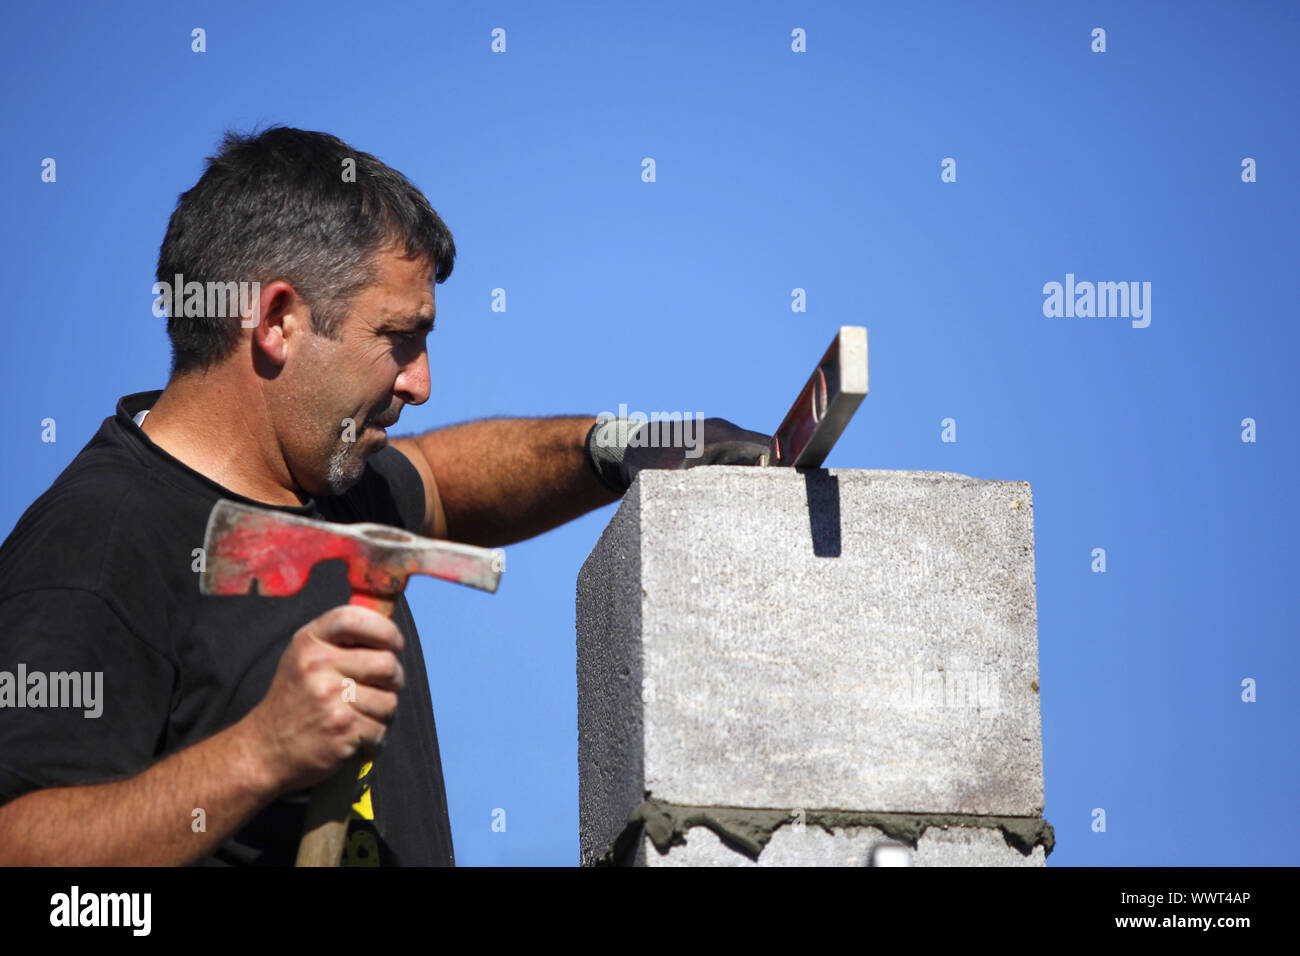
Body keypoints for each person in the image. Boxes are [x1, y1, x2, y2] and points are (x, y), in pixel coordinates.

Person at [0, 126, 769, 865]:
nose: (421, 383)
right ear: (277, 321)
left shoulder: (334, 487)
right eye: (399, 337)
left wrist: (621, 449)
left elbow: (439, 477)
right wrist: (258, 754)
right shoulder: (101, 540)